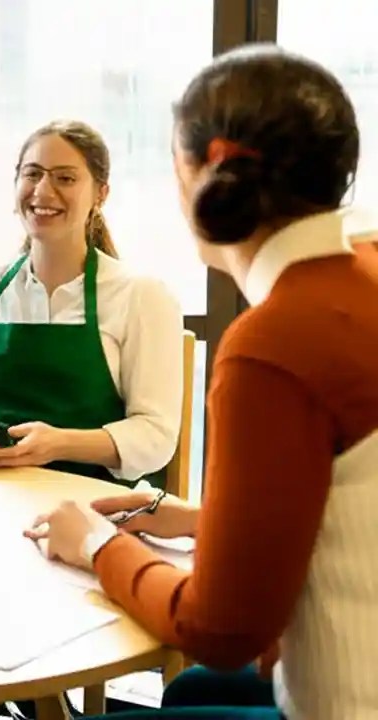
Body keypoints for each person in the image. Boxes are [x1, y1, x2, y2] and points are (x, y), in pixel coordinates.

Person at [28, 45, 378, 720]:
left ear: (198, 177)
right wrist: (196, 522)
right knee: (191, 693)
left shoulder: (272, 346)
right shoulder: (363, 271)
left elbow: (220, 631)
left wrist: (98, 545)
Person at [0, 120, 184, 488]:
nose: (43, 190)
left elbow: (155, 436)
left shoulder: (141, 296)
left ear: (101, 194)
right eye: (33, 174)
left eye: (65, 178)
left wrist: (59, 443)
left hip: (98, 514)